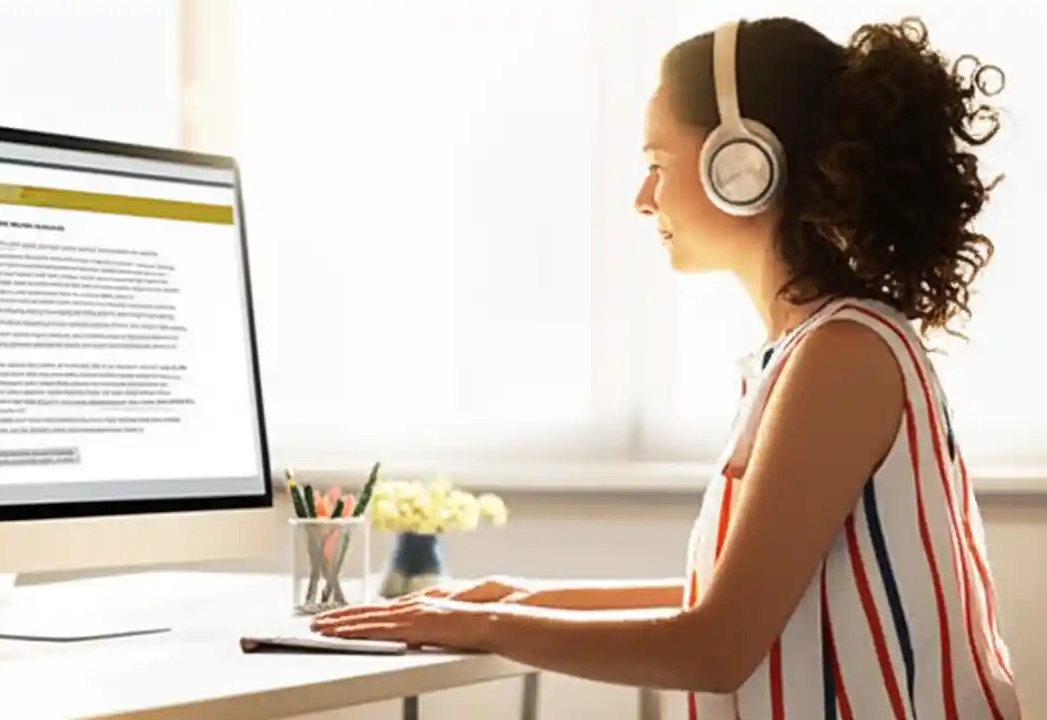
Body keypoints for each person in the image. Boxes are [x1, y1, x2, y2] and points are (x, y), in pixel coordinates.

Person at [313, 15, 1020, 718]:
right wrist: (515, 594)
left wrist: (486, 628)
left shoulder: (842, 356)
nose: (642, 199)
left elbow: (715, 646)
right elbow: (727, 596)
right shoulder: (809, 351)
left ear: (743, 167)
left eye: (657, 164)